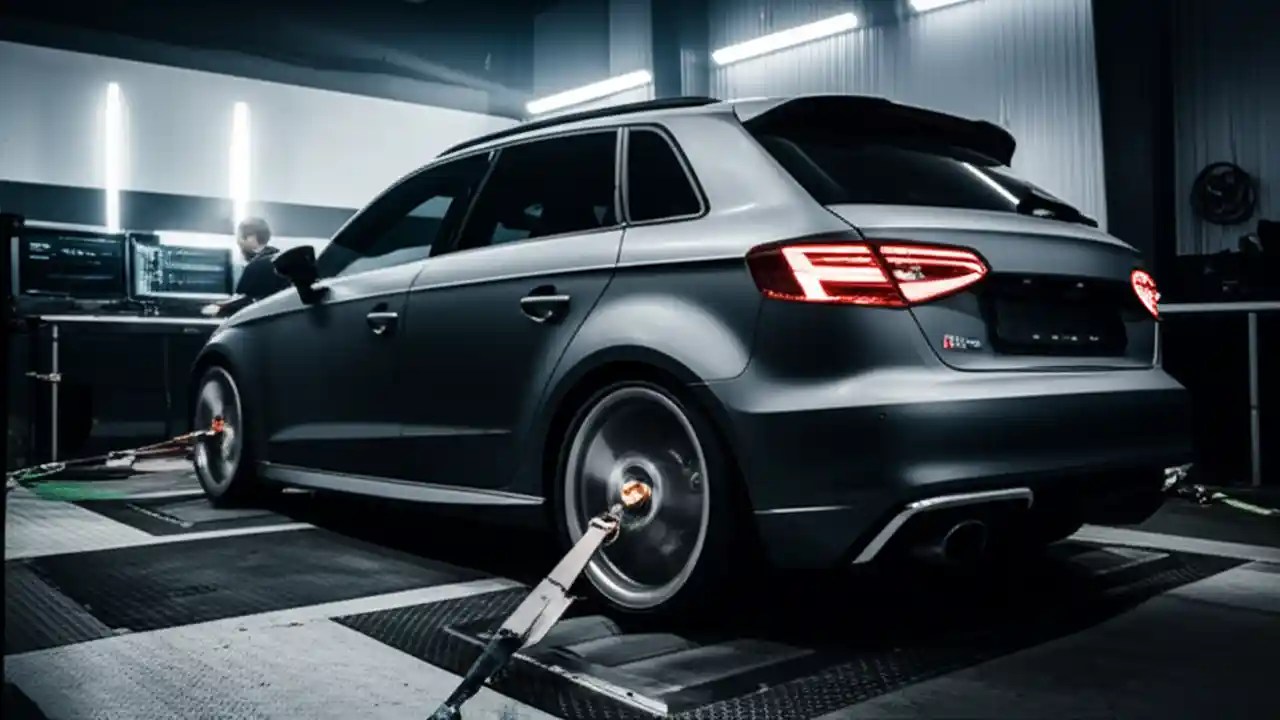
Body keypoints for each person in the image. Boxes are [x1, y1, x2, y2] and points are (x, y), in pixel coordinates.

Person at [203, 217, 290, 316]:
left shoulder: (255, 267)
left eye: (240, 239)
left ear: (251, 238)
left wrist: (219, 308)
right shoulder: (283, 259)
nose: (239, 244)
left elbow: (243, 303)